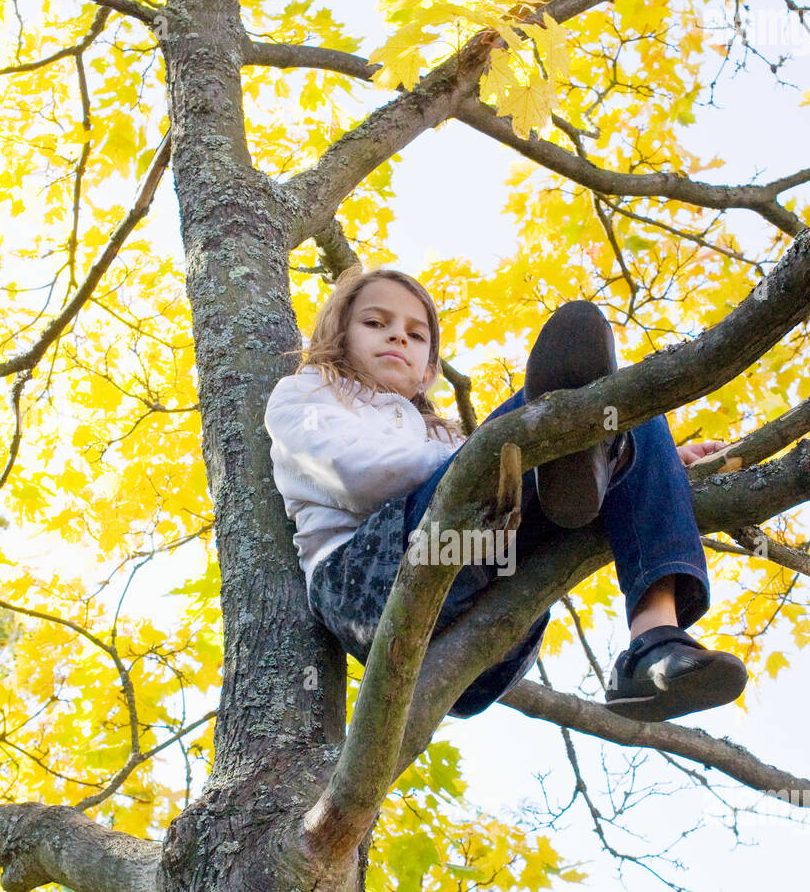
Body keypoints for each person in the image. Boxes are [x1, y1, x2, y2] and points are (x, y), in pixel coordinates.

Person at [264, 265, 748, 721]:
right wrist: (492, 450)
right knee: (576, 407)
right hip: (368, 588)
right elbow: (360, 474)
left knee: (626, 410)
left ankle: (654, 643)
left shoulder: (443, 437)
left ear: (429, 369)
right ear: (339, 336)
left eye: (416, 335)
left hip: (487, 642)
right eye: (376, 322)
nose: (398, 336)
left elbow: (471, 474)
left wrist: (646, 460)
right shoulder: (306, 394)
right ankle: (578, 435)